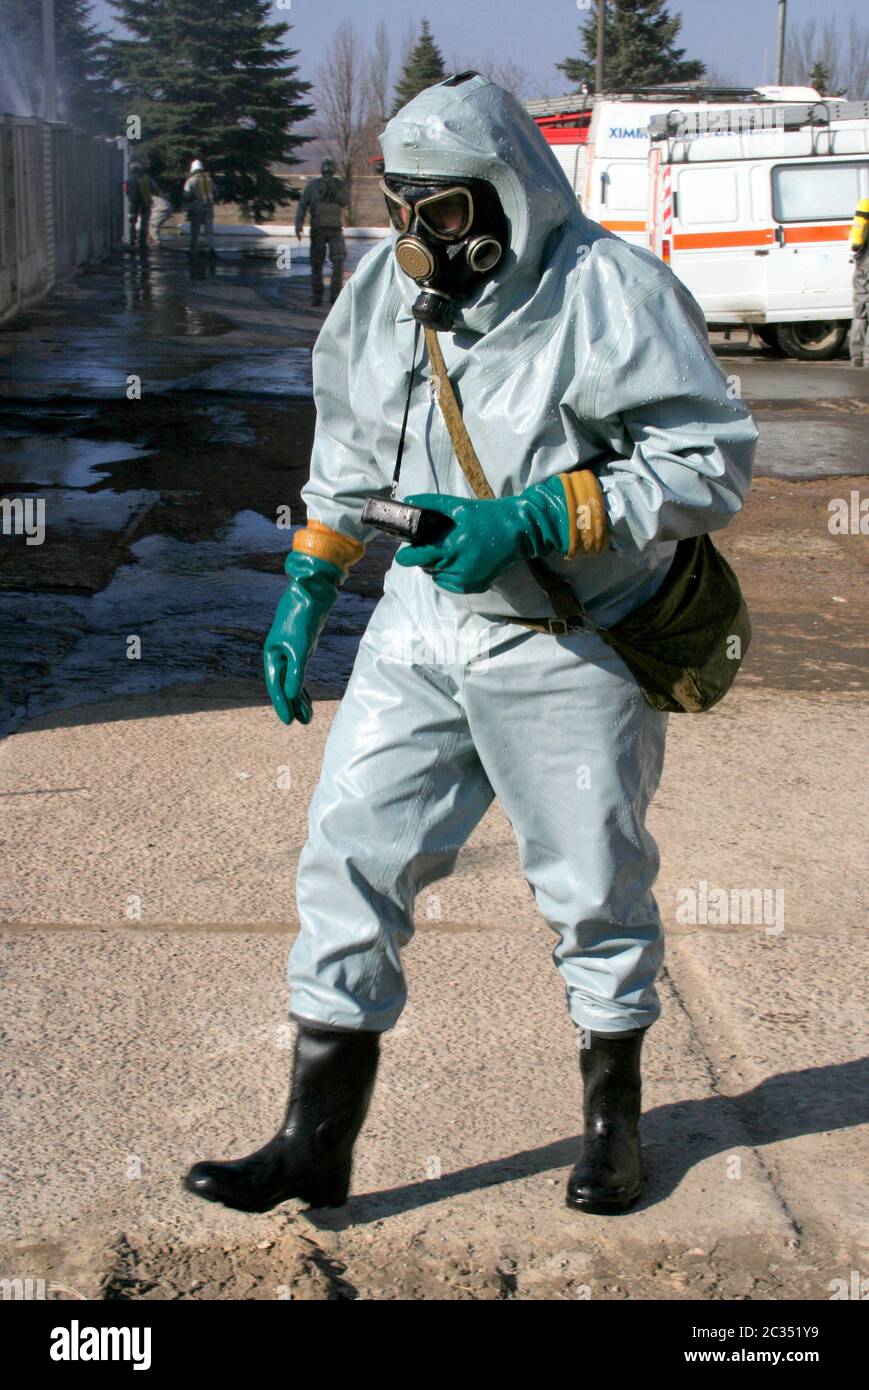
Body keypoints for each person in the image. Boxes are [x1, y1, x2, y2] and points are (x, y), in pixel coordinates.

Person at [184, 74, 757, 1218]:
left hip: (564, 635)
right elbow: (347, 438)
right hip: (422, 620)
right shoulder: (382, 295)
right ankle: (314, 1139)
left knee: (591, 884)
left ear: (506, 193)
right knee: (348, 851)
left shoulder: (610, 293)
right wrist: (308, 581)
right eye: (401, 208)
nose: (417, 238)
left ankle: (612, 1129)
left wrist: (537, 515)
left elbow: (706, 462)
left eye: (442, 211)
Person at [295, 157, 347, 306]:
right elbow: (303, 205)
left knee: (338, 261)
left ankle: (334, 296)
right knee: (317, 263)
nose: (328, 175)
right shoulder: (313, 186)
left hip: (334, 229)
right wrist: (298, 223)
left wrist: (334, 192)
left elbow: (344, 201)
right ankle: (317, 296)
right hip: (319, 229)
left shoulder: (339, 185)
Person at [183, 158, 219, 258]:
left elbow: (186, 195)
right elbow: (216, 193)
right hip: (209, 207)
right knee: (209, 231)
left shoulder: (191, 180)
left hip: (196, 208)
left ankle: (193, 252)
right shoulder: (209, 180)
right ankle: (212, 251)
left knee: (195, 231)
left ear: (193, 170)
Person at [849, 195, 869, 368]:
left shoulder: (866, 203)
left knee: (860, 311)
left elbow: (856, 239)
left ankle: (857, 356)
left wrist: (856, 247)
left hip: (864, 262)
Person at [126, 162, 152, 252]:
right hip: (145, 203)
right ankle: (142, 243)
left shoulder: (129, 179)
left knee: (132, 222)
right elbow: (154, 188)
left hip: (133, 203)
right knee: (144, 223)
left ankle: (132, 241)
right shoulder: (147, 178)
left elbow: (127, 192)